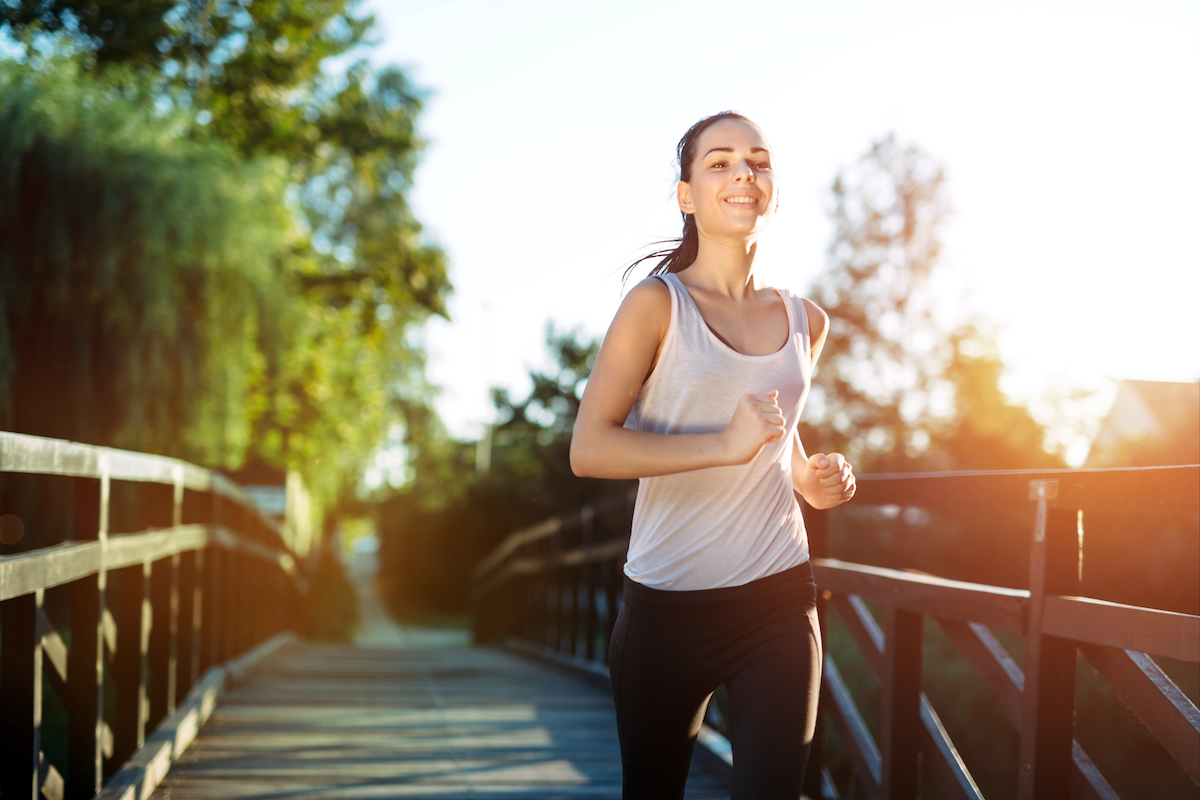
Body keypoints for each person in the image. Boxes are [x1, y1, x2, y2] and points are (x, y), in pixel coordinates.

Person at [570, 111, 857, 800]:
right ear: (687, 195)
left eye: (757, 161)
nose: (743, 173)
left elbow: (777, 437)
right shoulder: (655, 306)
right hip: (665, 609)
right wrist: (721, 448)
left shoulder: (805, 320)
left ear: (774, 191)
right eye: (720, 161)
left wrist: (811, 480)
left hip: (777, 599)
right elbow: (590, 448)